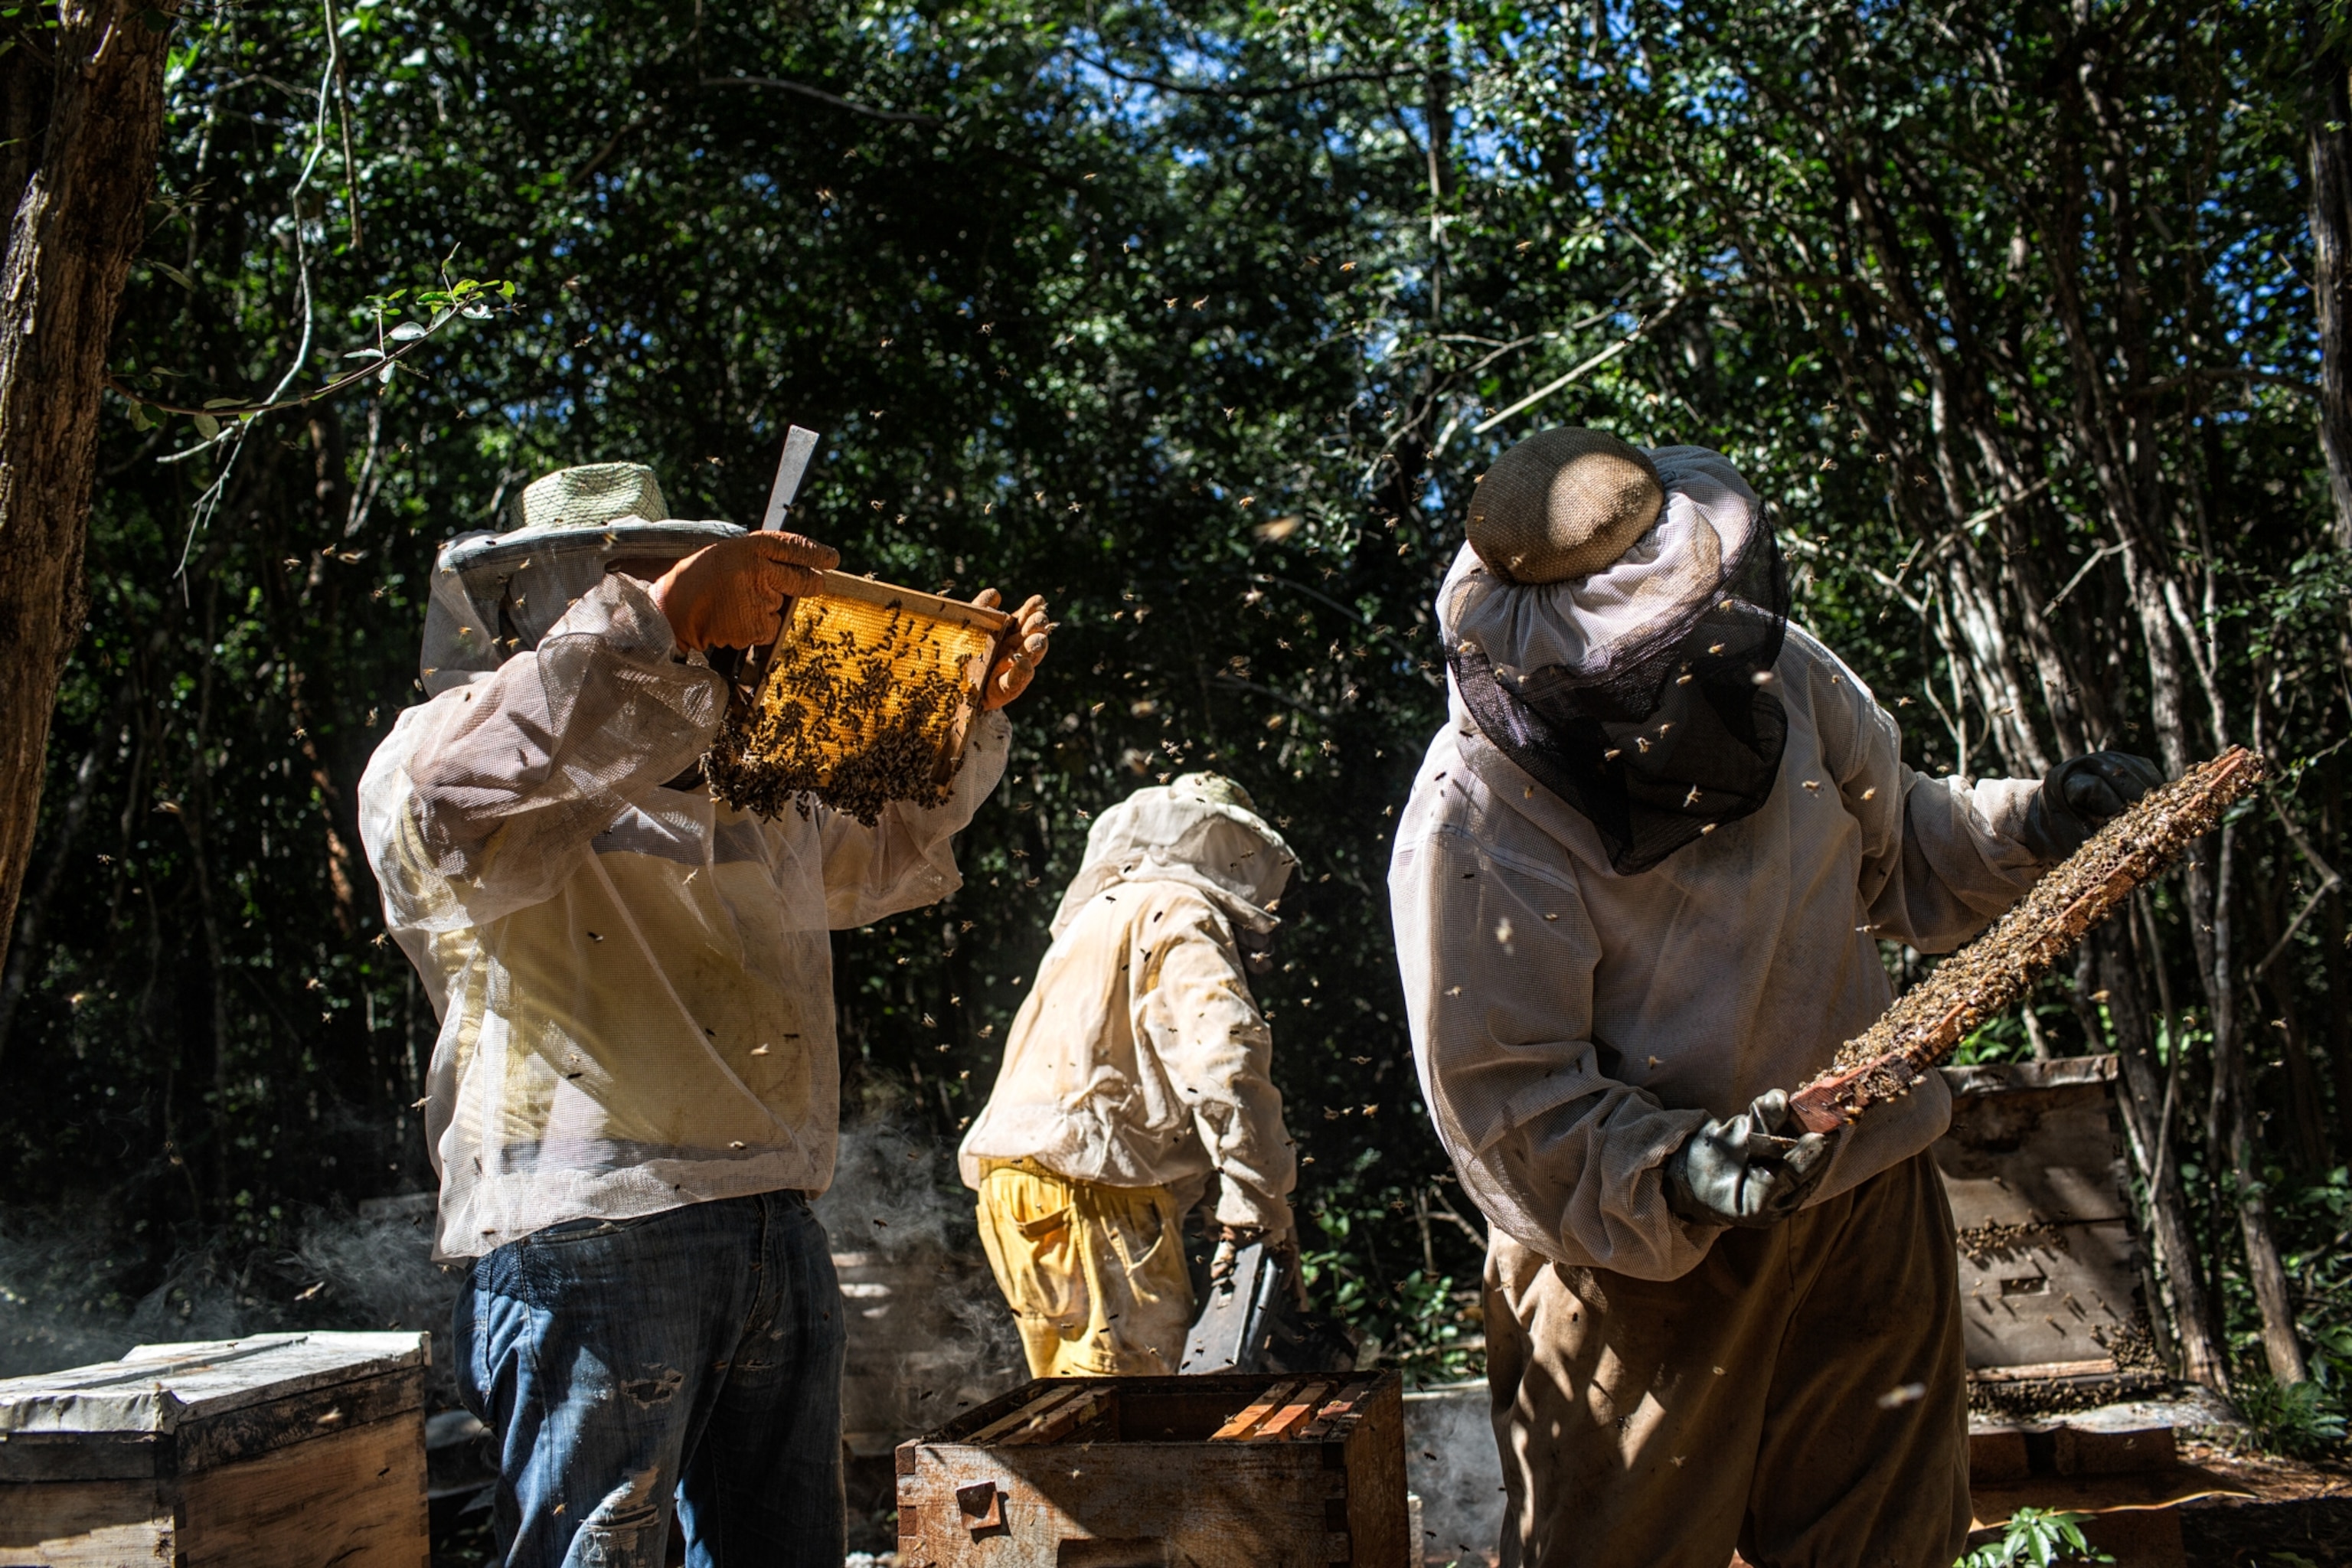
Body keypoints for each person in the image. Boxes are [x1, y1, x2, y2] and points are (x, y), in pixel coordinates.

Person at [1386, 429, 2159, 1568]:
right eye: (1648, 651)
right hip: (1639, 1261)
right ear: (1567, 661)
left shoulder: (1784, 674)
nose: (1686, 660)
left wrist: (2035, 820)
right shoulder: (1475, 818)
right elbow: (1507, 1102)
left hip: (1865, 1194)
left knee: (1885, 1547)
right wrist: (1680, 1170)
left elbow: (1900, 852)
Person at [358, 461, 1049, 1567]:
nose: (680, 609)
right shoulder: (445, 749)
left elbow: (875, 862)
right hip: (590, 1227)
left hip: (769, 1218)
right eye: (630, 584)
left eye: (674, 576)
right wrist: (664, 613)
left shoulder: (744, 775)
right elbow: (453, 801)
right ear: (541, 603)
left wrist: (962, 716)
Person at [959, 773, 1300, 1376]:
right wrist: (1256, 1202)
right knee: (1134, 1423)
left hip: (1011, 1186)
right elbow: (1229, 1059)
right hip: (1094, 1192)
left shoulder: (1099, 915)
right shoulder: (1182, 911)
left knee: (1069, 1414)